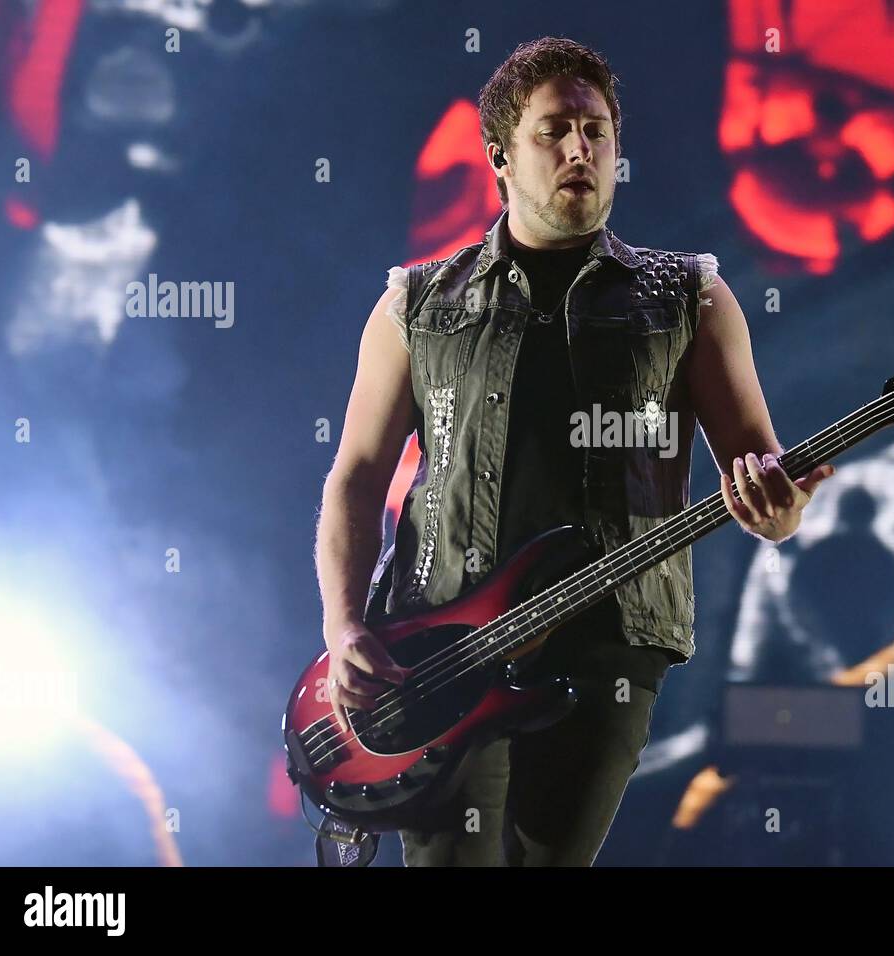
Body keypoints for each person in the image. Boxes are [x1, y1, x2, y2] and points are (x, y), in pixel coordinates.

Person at [313, 36, 835, 866]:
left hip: (607, 649)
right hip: (442, 649)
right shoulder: (412, 304)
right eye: (554, 131)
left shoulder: (688, 296)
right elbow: (355, 477)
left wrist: (782, 510)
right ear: (500, 158)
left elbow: (763, 479)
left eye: (596, 133)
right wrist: (344, 628)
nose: (579, 150)